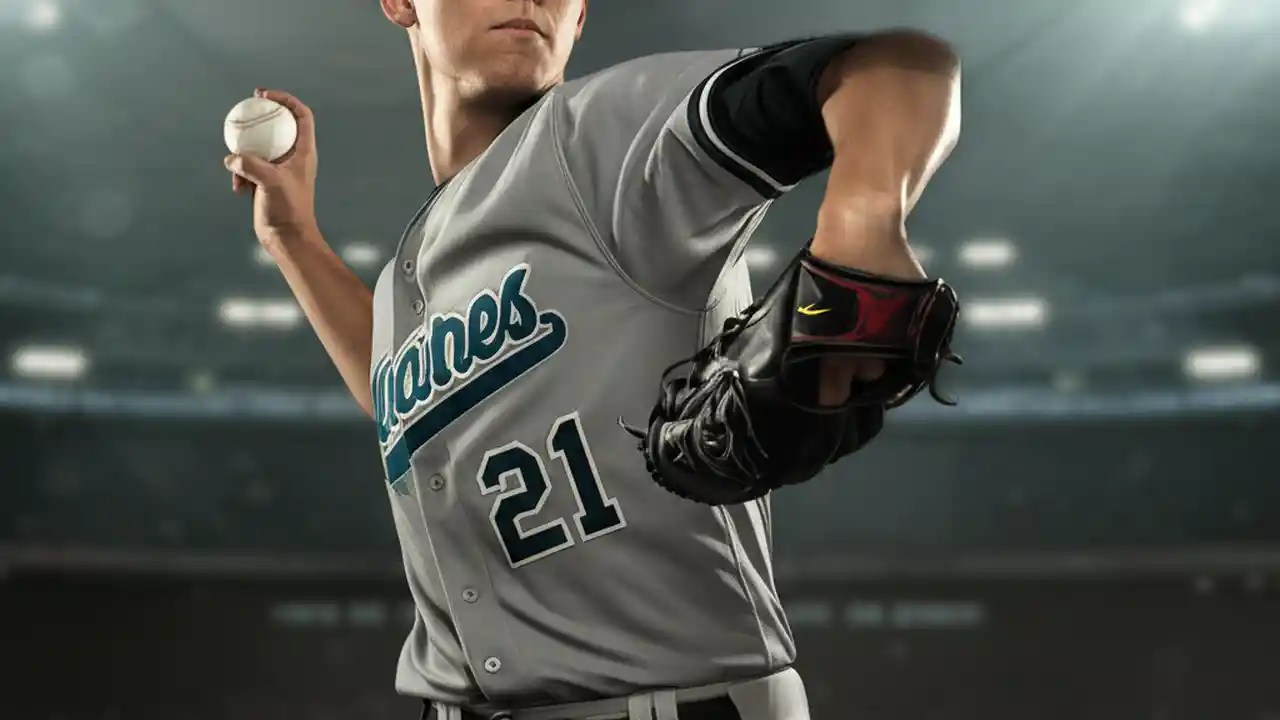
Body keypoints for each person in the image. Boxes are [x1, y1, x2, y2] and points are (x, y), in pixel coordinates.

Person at [223, 1, 961, 718]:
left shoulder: (603, 136)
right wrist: (293, 237)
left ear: (579, 18)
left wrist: (862, 226)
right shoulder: (408, 273)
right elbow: (401, 399)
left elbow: (897, 68)